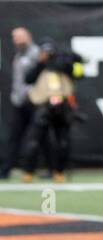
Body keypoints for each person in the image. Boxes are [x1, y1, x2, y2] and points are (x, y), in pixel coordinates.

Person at [18, 40, 82, 183]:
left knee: (63, 142)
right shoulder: (40, 66)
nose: (47, 56)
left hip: (62, 106)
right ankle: (28, 171)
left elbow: (79, 72)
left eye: (49, 53)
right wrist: (41, 63)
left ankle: (58, 172)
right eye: (45, 53)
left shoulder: (64, 66)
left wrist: (67, 62)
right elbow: (28, 79)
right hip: (43, 106)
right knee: (33, 141)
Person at [1, 27, 41, 179]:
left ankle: (51, 168)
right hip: (19, 101)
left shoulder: (36, 53)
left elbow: (39, 77)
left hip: (34, 101)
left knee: (39, 136)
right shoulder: (18, 54)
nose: (16, 40)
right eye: (14, 37)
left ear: (28, 36)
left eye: (19, 36)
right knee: (14, 137)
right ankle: (6, 169)